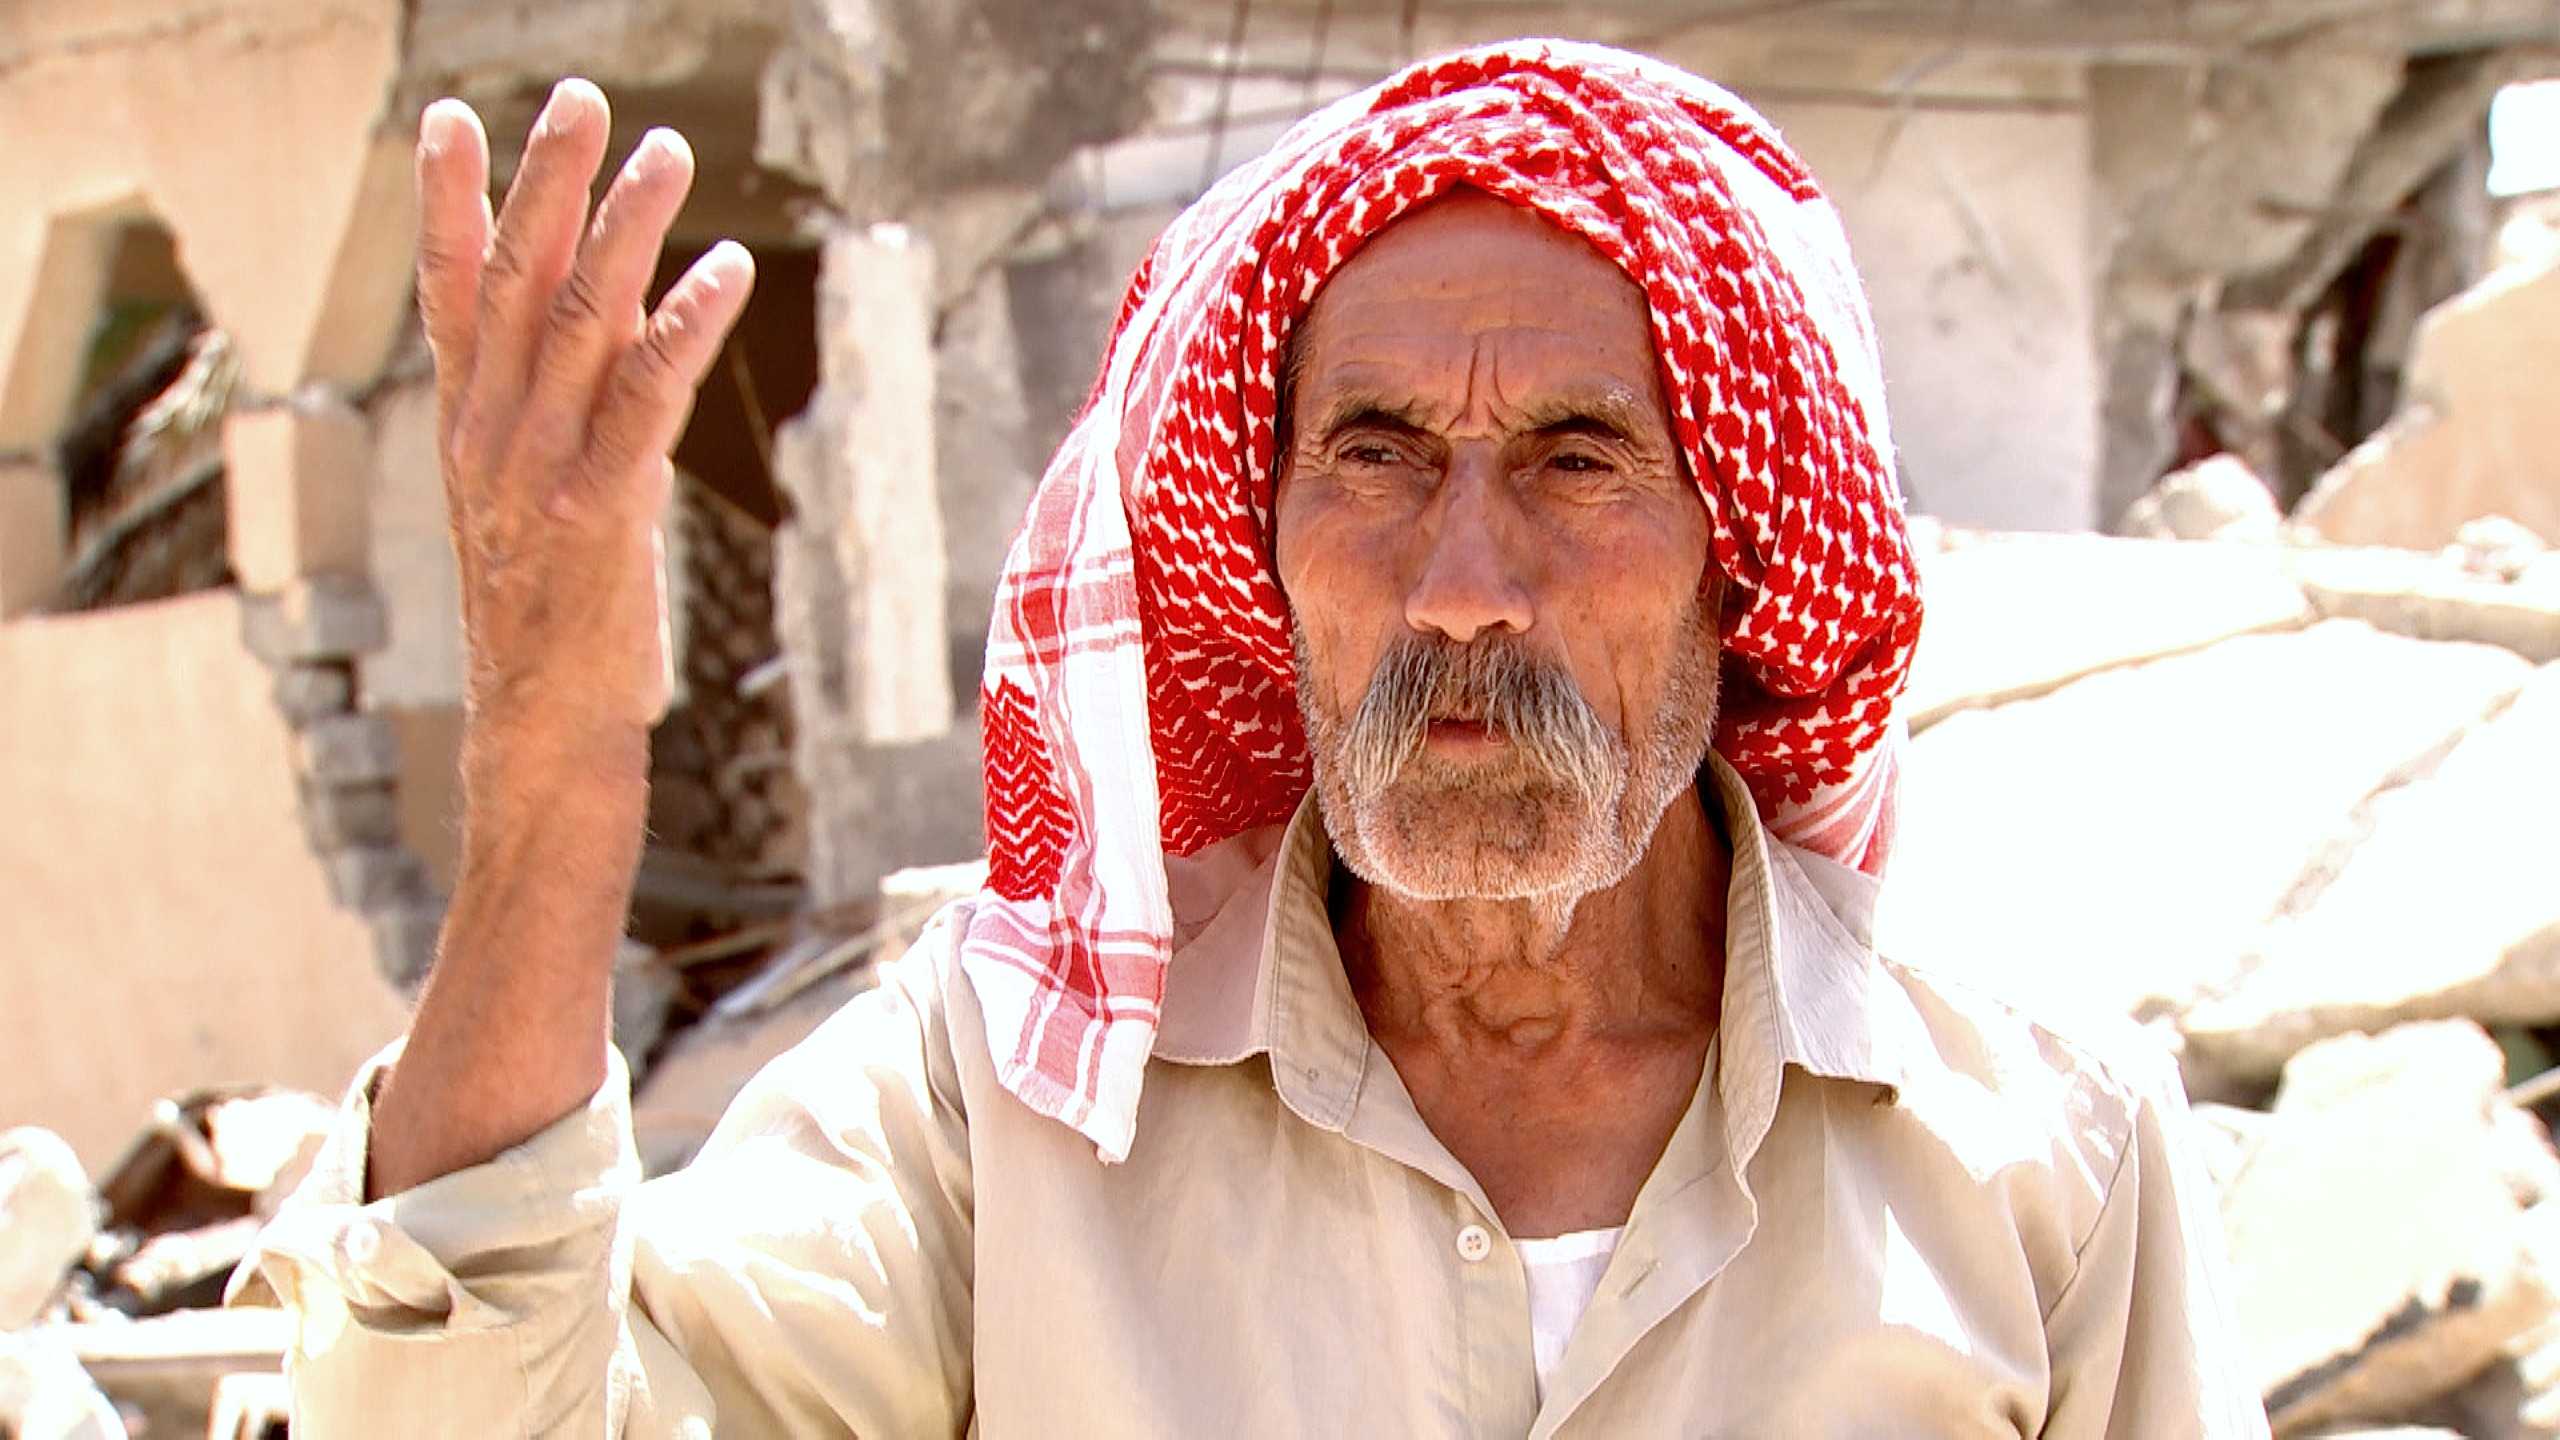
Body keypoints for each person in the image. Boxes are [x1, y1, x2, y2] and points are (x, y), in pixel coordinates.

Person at [235, 40, 2268, 1438]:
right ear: (1257, 550)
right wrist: (560, 758)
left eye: (1575, 461)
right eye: (1371, 458)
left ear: (1737, 560)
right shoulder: (1007, 1104)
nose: (1463, 581)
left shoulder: (2038, 1158)